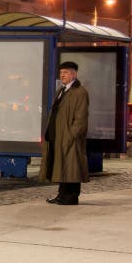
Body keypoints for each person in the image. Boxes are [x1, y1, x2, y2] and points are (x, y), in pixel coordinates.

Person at [39, 61, 89, 205]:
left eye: (65, 72)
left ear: (74, 74)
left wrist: (71, 134)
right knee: (61, 165)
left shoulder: (80, 92)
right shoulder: (62, 90)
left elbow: (81, 118)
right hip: (58, 135)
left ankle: (71, 196)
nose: (62, 75)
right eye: (61, 73)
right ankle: (62, 194)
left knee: (72, 167)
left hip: (69, 136)